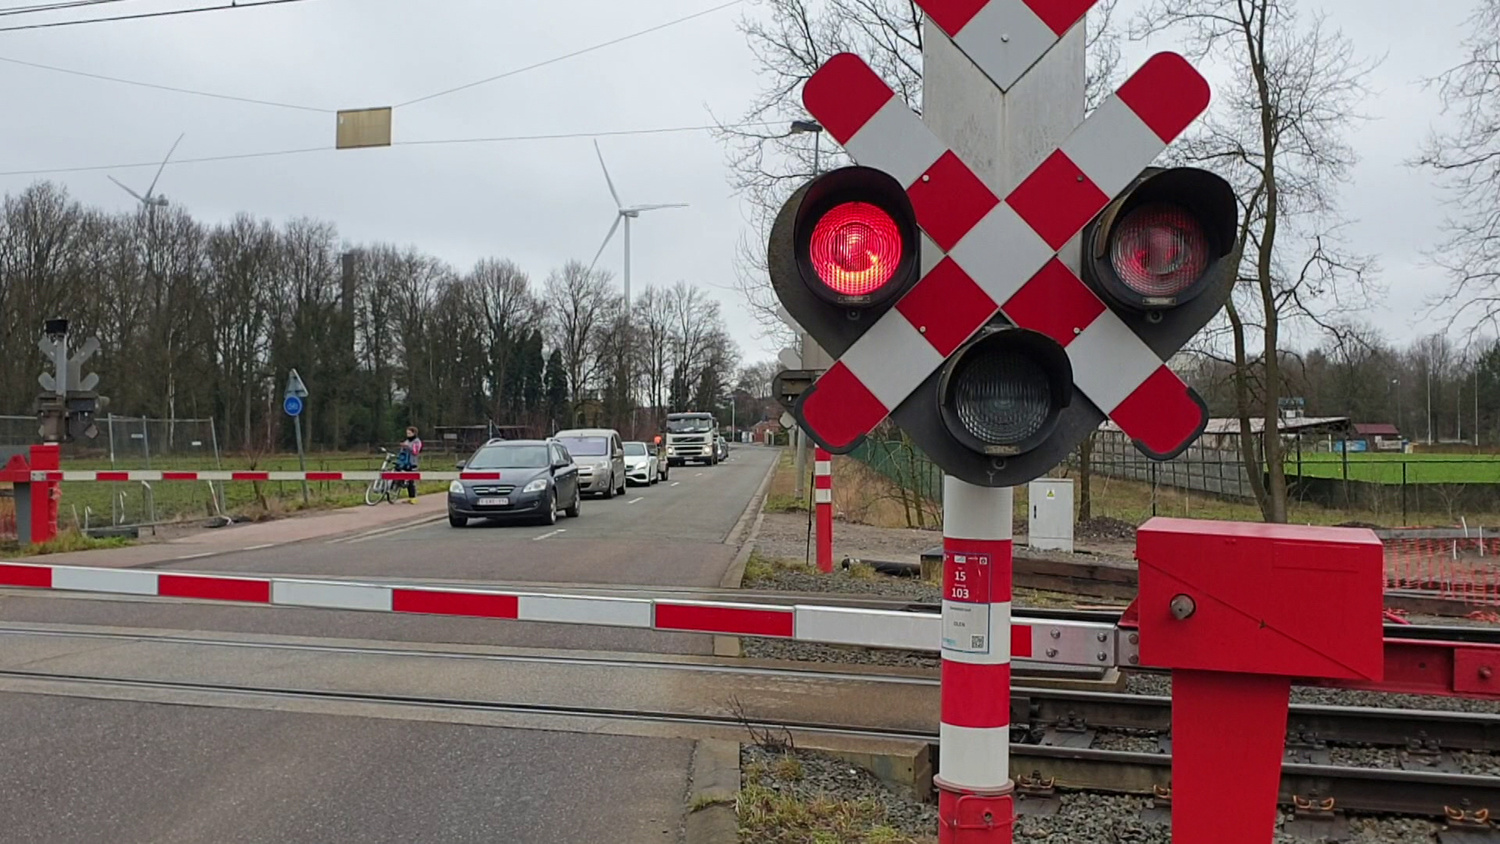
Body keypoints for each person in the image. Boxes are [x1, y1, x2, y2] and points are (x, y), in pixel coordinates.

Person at [394, 426, 423, 503]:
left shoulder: (417, 442)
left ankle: (413, 498)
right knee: (399, 474)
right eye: (407, 433)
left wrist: (408, 447)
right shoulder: (407, 441)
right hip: (404, 462)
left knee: (411, 480)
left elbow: (415, 451)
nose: (408, 434)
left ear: (414, 433)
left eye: (409, 433)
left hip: (412, 463)